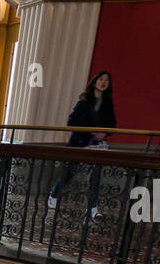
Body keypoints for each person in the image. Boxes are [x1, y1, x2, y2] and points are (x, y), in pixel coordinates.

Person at [48, 71, 117, 220]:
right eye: (101, 79)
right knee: (69, 172)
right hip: (79, 142)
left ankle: (92, 208)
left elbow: (112, 124)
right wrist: (89, 131)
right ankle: (54, 195)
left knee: (95, 177)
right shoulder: (84, 102)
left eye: (107, 80)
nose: (104, 82)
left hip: (97, 145)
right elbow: (72, 123)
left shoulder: (108, 104)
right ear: (94, 82)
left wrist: (104, 133)